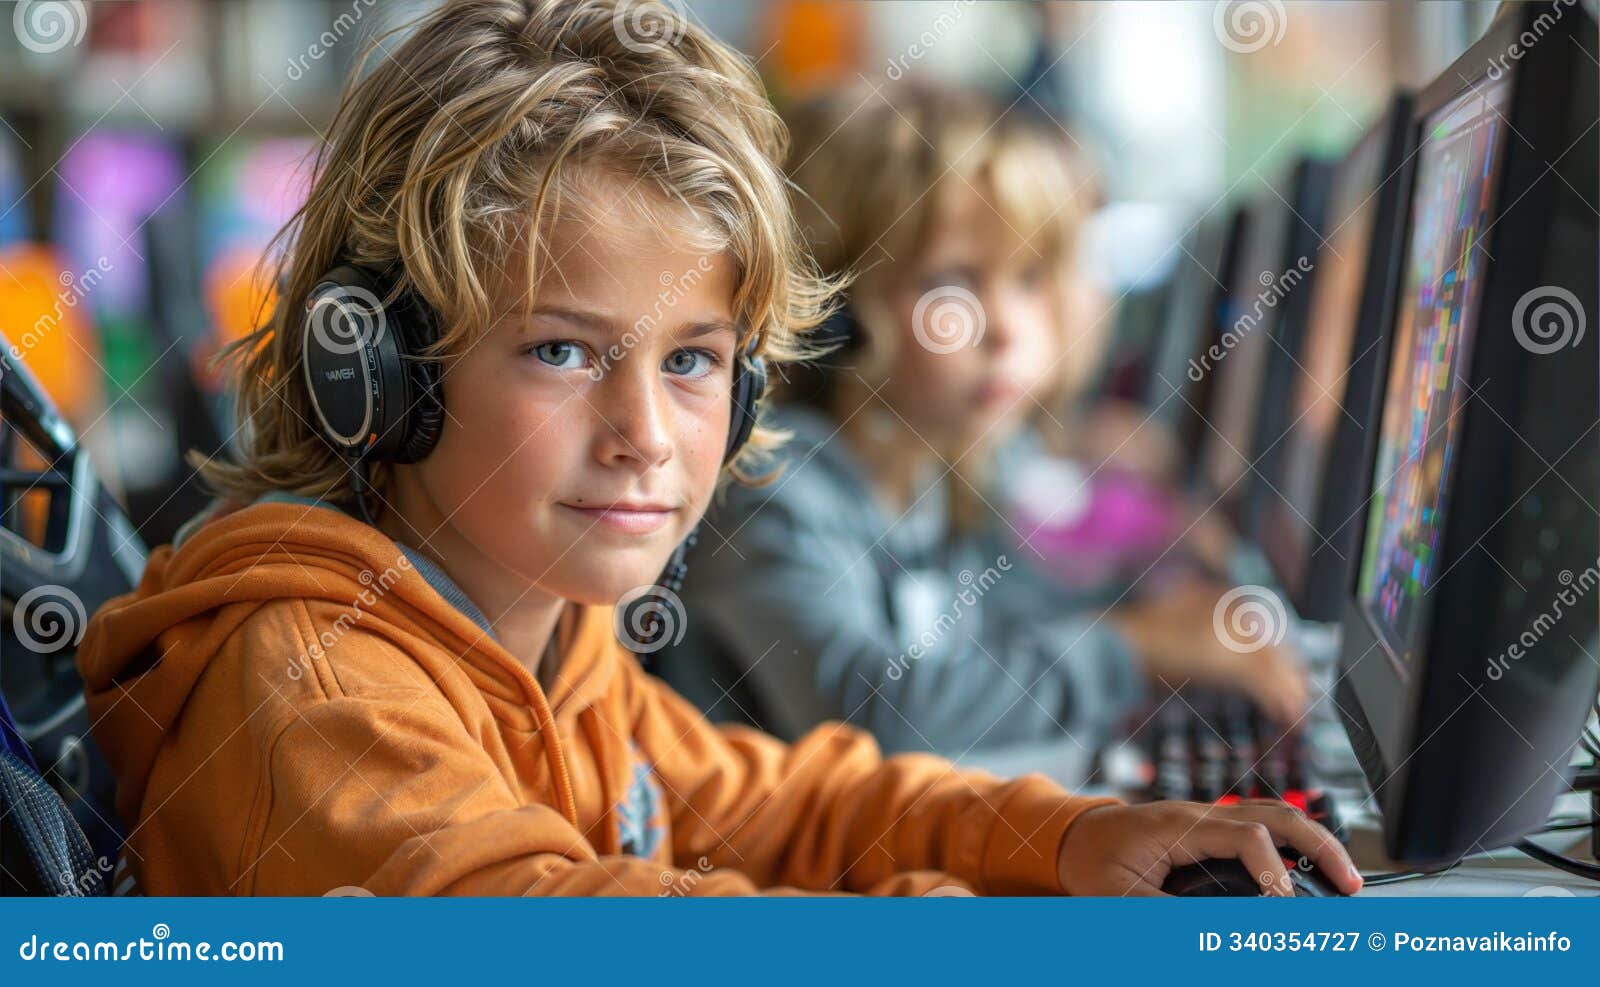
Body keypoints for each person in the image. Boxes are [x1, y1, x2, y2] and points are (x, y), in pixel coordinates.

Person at [77, 0, 1356, 898]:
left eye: (691, 361)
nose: (644, 437)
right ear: (378, 367)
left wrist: (1069, 840)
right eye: (563, 352)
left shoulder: (558, 645)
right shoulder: (311, 678)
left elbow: (786, 804)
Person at [658, 83, 1308, 775]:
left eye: (1028, 278)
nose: (1005, 328)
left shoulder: (932, 476)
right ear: (829, 306)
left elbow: (999, 623)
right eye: (955, 282)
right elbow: (877, 714)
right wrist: (1131, 648)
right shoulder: (772, 494)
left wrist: (1162, 602)